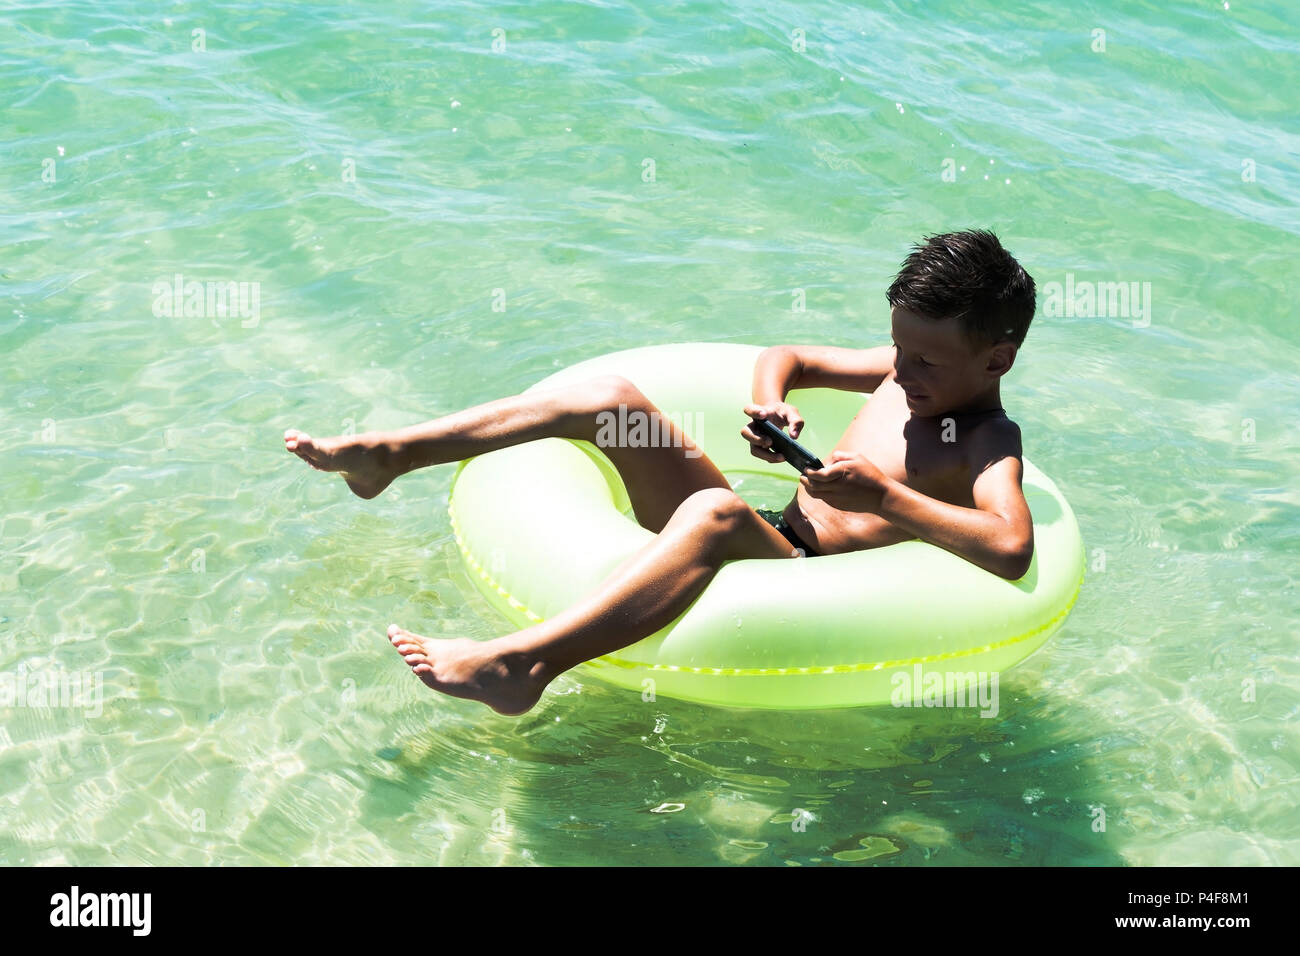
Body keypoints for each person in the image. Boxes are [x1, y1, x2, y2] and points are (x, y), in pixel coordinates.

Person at [284, 229, 1036, 715]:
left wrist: (888, 500)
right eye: (897, 349)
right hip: (778, 528)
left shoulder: (986, 440)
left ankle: (524, 666)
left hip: (805, 570)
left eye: (925, 360)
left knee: (717, 515)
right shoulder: (902, 369)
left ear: (995, 359)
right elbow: (789, 358)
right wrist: (773, 408)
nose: (900, 369)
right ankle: (393, 455)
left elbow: (1010, 548)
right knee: (609, 401)